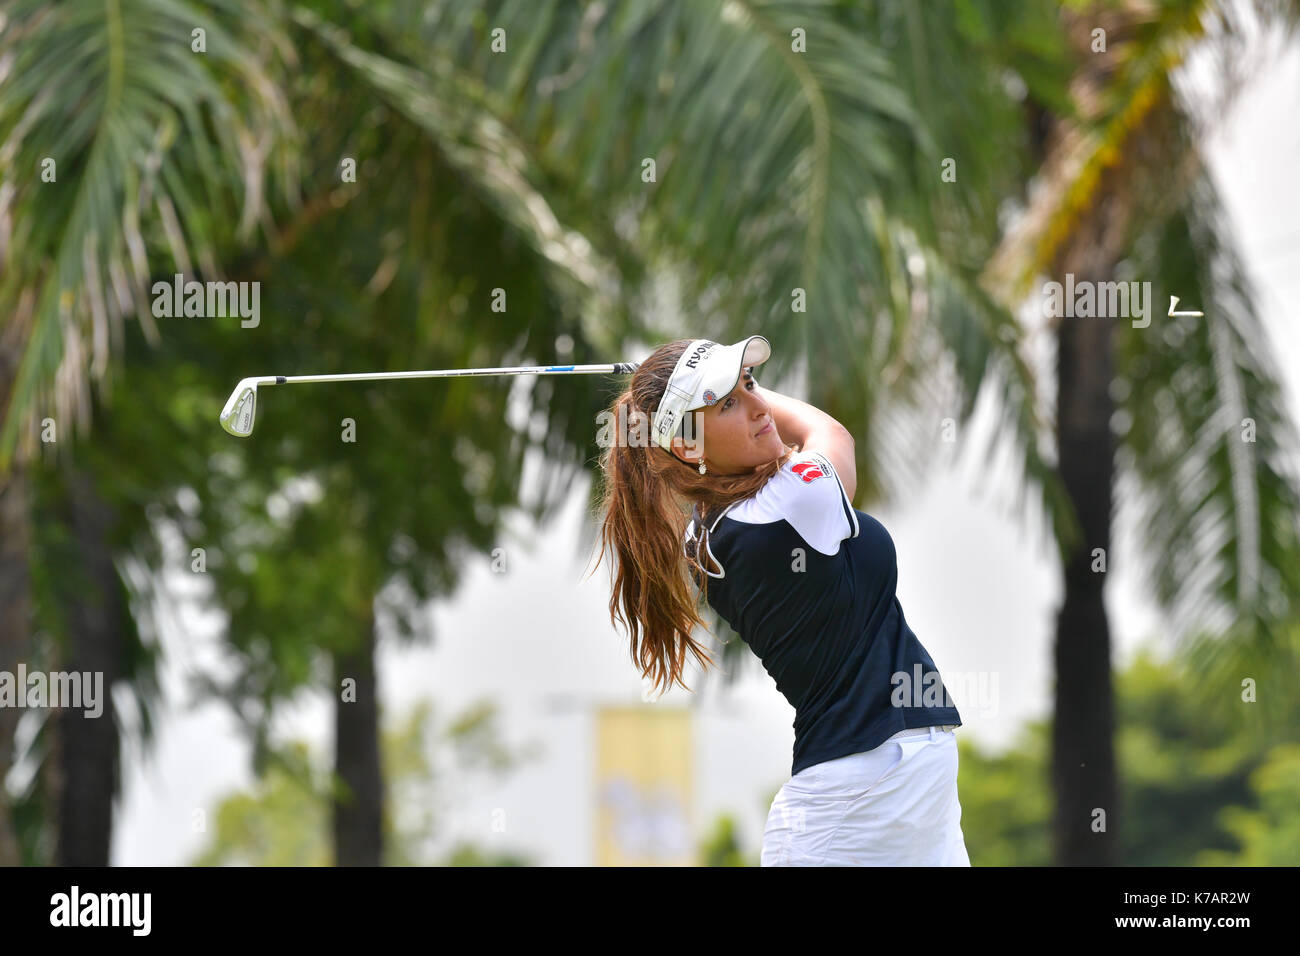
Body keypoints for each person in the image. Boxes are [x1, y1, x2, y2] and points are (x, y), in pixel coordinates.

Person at [593, 335, 970, 866]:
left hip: (905, 776)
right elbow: (828, 433)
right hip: (856, 792)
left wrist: (708, 392)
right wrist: (732, 386)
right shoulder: (792, 500)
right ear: (688, 447)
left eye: (751, 385)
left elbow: (755, 446)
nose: (757, 407)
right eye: (728, 403)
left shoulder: (711, 530)